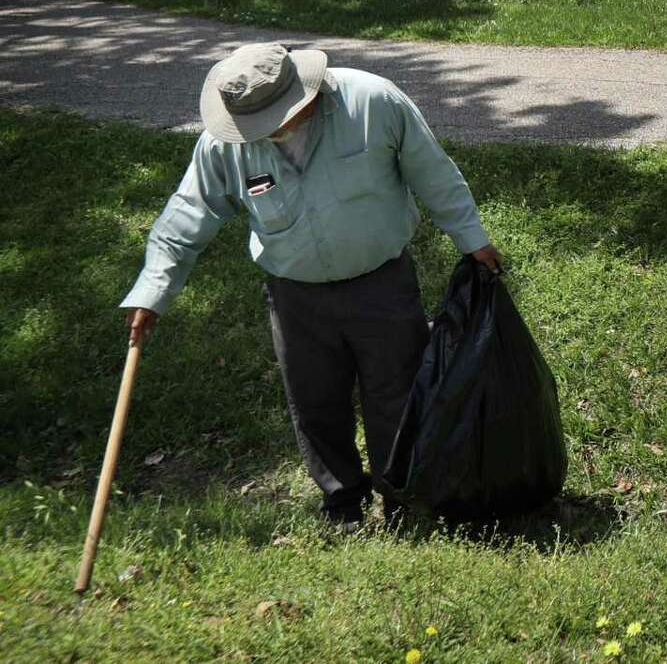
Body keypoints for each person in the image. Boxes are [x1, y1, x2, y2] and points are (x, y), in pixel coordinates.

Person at [121, 42, 501, 527]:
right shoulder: (225, 144)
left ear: (303, 93)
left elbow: (434, 174)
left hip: (381, 283)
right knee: (315, 401)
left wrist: (473, 240)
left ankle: (400, 496)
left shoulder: (374, 102)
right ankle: (343, 500)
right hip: (294, 295)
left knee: (397, 394)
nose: (267, 130)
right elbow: (187, 216)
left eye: (274, 117)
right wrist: (153, 292)